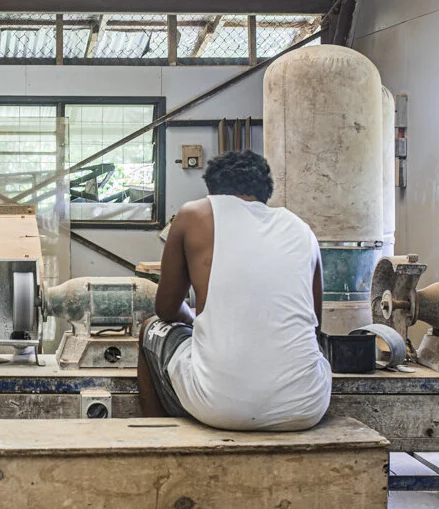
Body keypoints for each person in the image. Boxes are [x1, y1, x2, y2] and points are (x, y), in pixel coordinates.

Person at [139, 150, 330, 431]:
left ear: (212, 190)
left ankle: (157, 440)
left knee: (149, 327)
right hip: (306, 406)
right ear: (265, 192)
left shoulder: (193, 213)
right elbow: (314, 325)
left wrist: (194, 320)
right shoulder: (302, 229)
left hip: (220, 407)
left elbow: (166, 309)